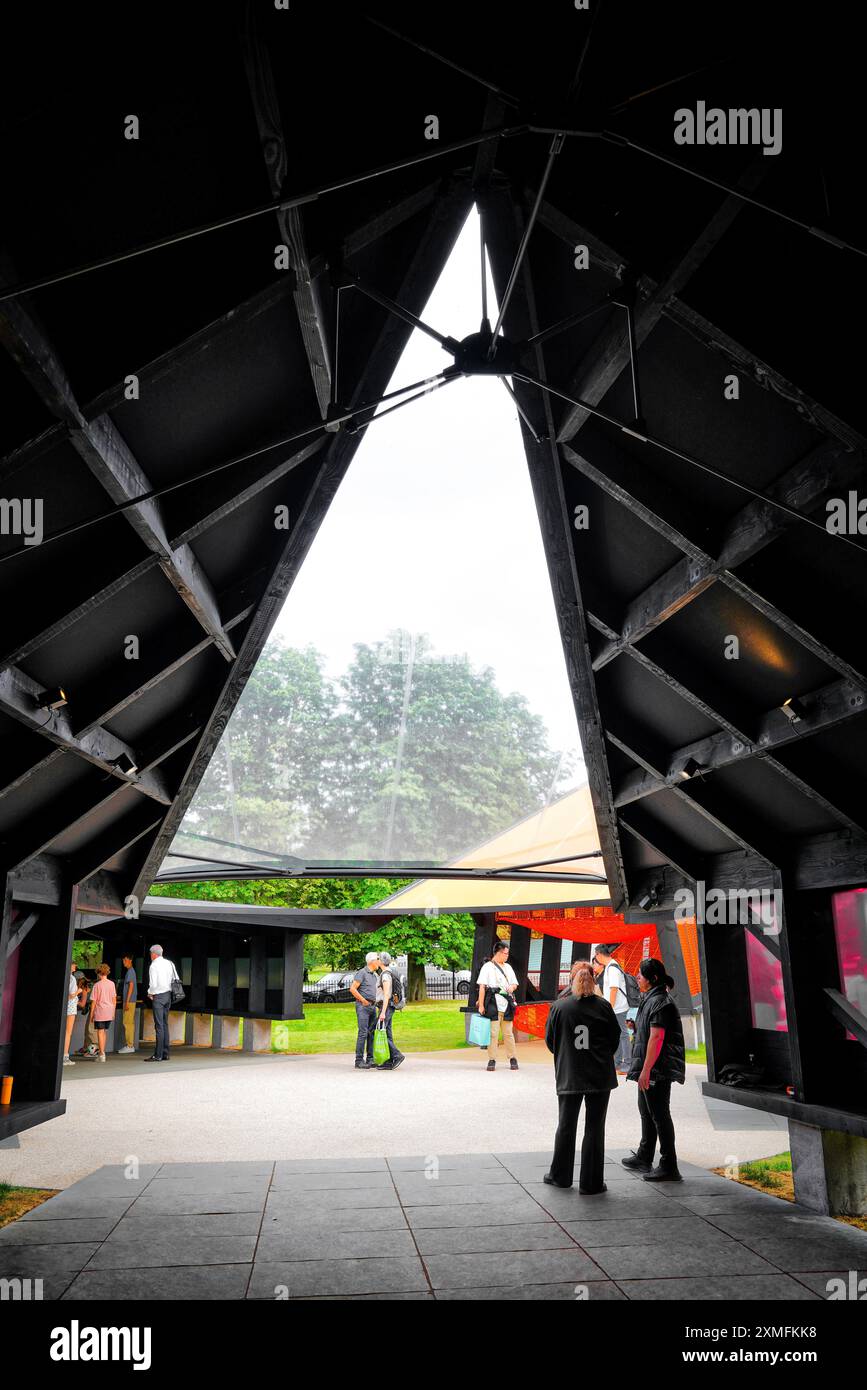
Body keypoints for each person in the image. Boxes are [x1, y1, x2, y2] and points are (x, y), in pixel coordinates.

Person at [544, 962, 622, 1192]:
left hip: (570, 1074)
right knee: (595, 1128)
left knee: (566, 1125)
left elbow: (551, 1041)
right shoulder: (604, 1006)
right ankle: (591, 1182)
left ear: (572, 979)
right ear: (593, 980)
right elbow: (614, 1039)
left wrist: (566, 1055)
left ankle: (560, 1176)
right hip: (599, 1076)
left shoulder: (560, 1007)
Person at [622, 958, 686, 1182]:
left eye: (640, 974)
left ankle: (669, 1165)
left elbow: (657, 1038)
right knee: (646, 1111)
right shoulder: (650, 998)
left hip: (656, 1069)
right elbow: (650, 1031)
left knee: (659, 1114)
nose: (637, 977)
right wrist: (635, 1027)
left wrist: (646, 1070)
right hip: (648, 1067)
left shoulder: (660, 1001)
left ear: (652, 979)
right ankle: (644, 1155)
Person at [476, 940, 519, 1072]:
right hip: (492, 1003)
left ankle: (512, 1057)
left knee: (508, 1033)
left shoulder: (508, 968)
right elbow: (482, 987)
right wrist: (481, 1005)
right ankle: (492, 1059)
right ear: (499, 953)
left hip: (506, 1004)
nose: (507, 956)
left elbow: (515, 984)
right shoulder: (487, 967)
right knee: (493, 1033)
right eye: (505, 954)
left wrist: (512, 987)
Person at [594, 944, 631, 1073]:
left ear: (599, 954)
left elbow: (614, 989)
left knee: (623, 1035)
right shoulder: (610, 966)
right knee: (618, 1035)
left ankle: (627, 1064)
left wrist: (609, 1008)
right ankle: (617, 1062)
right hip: (616, 1007)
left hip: (617, 1008)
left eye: (596, 955)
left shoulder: (612, 968)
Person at [349, 951, 381, 1069]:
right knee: (363, 1032)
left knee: (371, 1033)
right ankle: (359, 1060)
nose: (379, 962)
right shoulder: (362, 973)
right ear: (372, 961)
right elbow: (352, 989)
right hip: (363, 1006)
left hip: (373, 1007)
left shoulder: (375, 975)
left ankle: (370, 1059)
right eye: (377, 959)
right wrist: (363, 1000)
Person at [375, 951, 406, 1071]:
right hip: (387, 1007)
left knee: (380, 1031)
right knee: (387, 1033)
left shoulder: (386, 975)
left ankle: (397, 1055)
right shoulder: (388, 972)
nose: (376, 960)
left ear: (381, 961)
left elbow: (387, 994)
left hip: (386, 1007)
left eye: (378, 958)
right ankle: (390, 1059)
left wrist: (383, 1012)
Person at [145, 943, 176, 1063]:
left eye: (150, 953)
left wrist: (150, 993)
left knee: (159, 1026)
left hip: (158, 996)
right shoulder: (169, 963)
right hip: (168, 995)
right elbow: (174, 979)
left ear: (153, 954)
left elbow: (153, 983)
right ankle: (165, 1053)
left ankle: (157, 1055)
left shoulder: (154, 965)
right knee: (165, 1024)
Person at [89, 963, 117, 1064]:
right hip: (109, 1011)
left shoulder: (97, 985)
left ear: (99, 973)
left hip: (100, 1011)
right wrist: (113, 1012)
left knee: (100, 1032)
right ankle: (102, 1052)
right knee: (104, 1032)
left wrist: (92, 1014)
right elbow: (114, 1000)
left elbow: (94, 1002)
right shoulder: (112, 984)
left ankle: (101, 1054)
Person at [119, 954, 137, 1054]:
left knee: (127, 1023)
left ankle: (129, 1045)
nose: (123, 962)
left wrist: (126, 1001)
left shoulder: (130, 971)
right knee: (129, 1023)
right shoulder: (130, 971)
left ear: (130, 960)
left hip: (129, 1001)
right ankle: (129, 1045)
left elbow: (131, 986)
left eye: (125, 960)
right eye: (123, 960)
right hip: (130, 1001)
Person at [63, 963, 79, 1065]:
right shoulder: (72, 978)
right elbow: (72, 995)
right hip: (70, 1008)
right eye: (73, 965)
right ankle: (65, 1056)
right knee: (68, 1033)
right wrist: (79, 991)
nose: (75, 966)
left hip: (64, 1007)